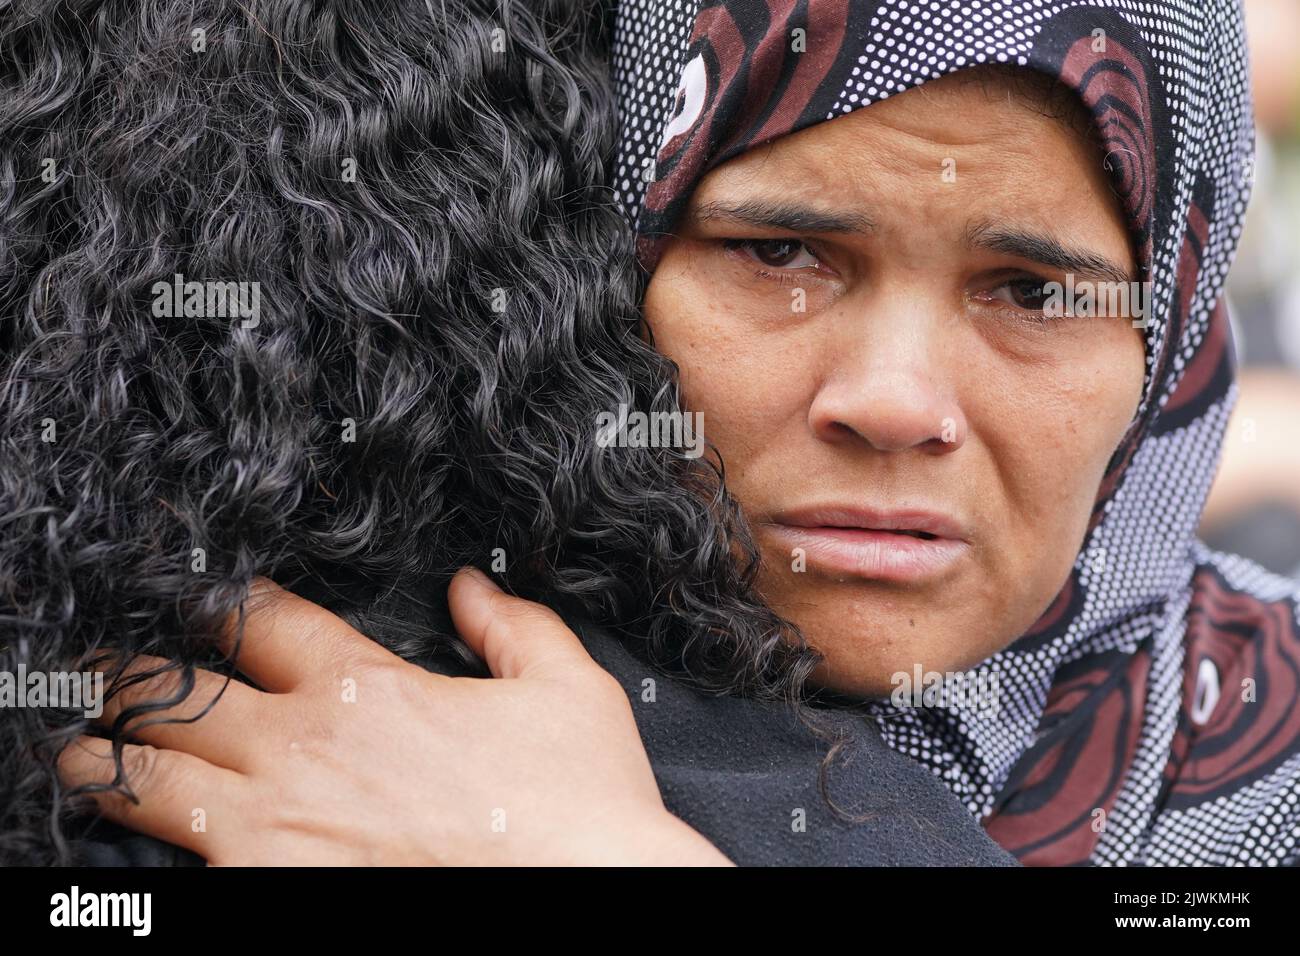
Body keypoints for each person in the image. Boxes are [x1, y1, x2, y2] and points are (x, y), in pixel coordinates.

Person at [46, 0, 1300, 866]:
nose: (893, 401)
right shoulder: (347, 728)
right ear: (608, 264)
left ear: (1169, 337)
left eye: (1031, 292)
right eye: (780, 252)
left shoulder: (1266, 752)